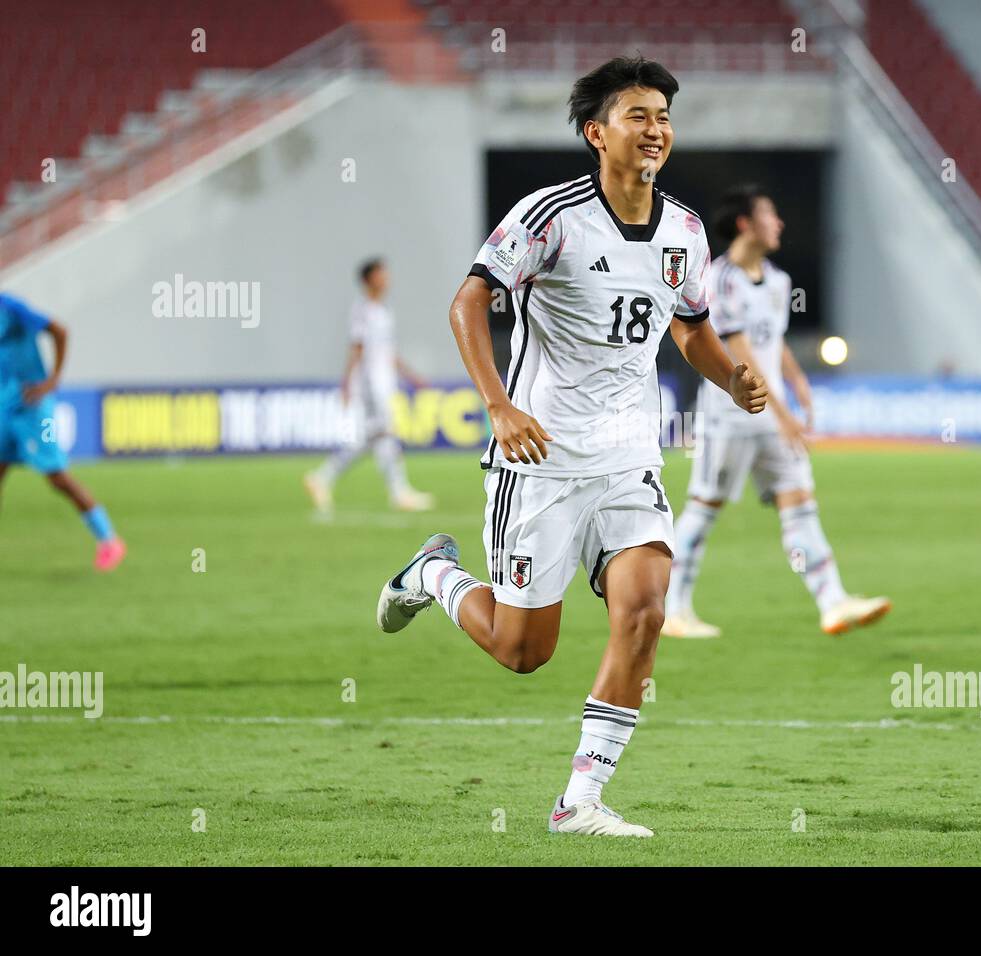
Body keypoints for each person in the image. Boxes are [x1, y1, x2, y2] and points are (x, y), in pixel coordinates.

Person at [374, 57, 767, 837]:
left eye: (662, 116)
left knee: (646, 610)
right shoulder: (551, 216)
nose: (655, 130)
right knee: (524, 652)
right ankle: (433, 574)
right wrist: (498, 406)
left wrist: (730, 378)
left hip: (628, 460)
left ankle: (580, 800)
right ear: (597, 133)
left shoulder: (686, 231)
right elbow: (469, 300)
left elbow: (689, 328)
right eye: (637, 117)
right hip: (540, 459)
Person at [661, 186, 890, 639]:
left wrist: (799, 384)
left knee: (800, 504)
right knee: (705, 508)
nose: (780, 223)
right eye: (770, 214)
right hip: (731, 415)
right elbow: (740, 349)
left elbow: (773, 342)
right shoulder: (721, 278)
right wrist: (784, 413)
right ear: (746, 223)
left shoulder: (780, 281)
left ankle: (833, 603)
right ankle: (674, 609)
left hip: (772, 413)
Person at [0, 292, 126, 571]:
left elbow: (60, 331)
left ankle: (109, 540)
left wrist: (52, 380)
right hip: (3, 408)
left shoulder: (11, 307)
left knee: (57, 477)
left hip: (35, 408)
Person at [305, 259, 433, 513]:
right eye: (381, 274)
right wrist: (347, 384)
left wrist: (410, 376)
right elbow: (357, 349)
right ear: (369, 279)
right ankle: (398, 492)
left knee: (375, 437)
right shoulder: (363, 311)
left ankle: (323, 477)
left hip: (384, 383)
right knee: (382, 434)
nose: (387, 278)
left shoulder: (383, 311)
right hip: (370, 386)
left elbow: (387, 353)